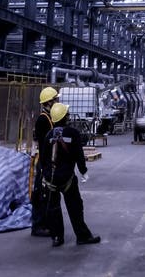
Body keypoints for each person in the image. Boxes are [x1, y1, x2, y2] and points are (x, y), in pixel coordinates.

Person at [41, 103, 100, 247]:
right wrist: (83, 171)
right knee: (75, 207)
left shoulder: (49, 135)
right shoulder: (73, 133)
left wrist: (45, 174)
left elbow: (43, 158)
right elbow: (79, 155)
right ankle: (82, 236)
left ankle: (57, 237)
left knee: (54, 209)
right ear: (65, 117)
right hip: (67, 178)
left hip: (51, 179)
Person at [30, 85, 59, 237]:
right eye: (55, 100)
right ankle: (38, 225)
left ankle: (45, 222)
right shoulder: (43, 119)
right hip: (43, 160)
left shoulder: (49, 118)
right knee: (40, 192)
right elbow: (45, 142)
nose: (57, 102)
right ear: (48, 103)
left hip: (47, 160)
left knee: (47, 192)